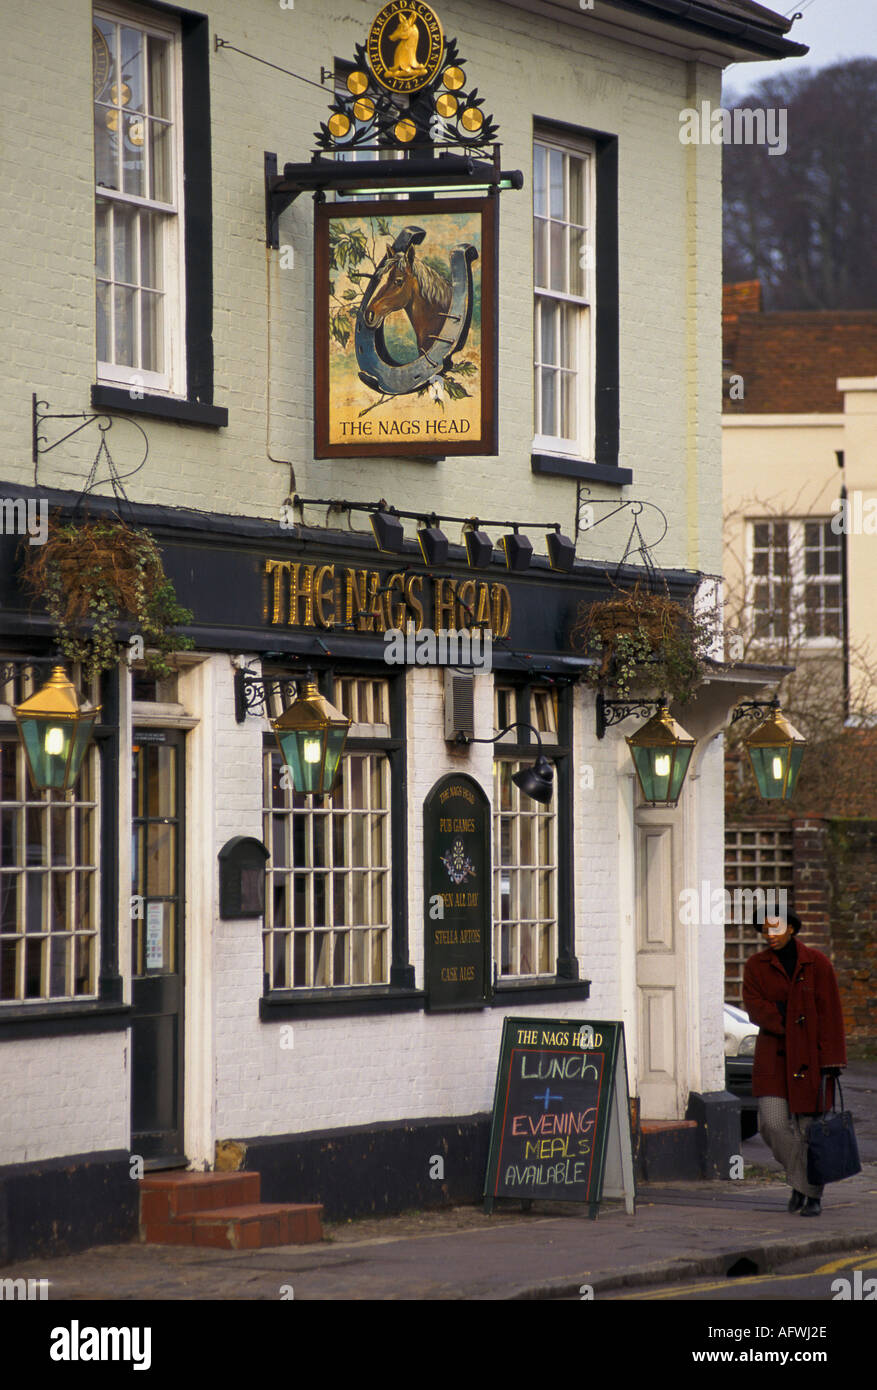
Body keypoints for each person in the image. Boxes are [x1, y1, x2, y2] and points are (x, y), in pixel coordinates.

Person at [742, 909, 847, 1217]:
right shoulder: (755, 966)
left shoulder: (818, 963)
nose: (770, 935)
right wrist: (791, 1016)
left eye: (776, 928)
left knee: (809, 1130)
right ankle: (803, 1183)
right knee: (771, 1124)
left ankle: (811, 1196)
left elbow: (830, 1014)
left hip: (812, 1059)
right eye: (765, 930)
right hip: (773, 1055)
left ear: (791, 928)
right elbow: (754, 1007)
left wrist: (832, 1059)